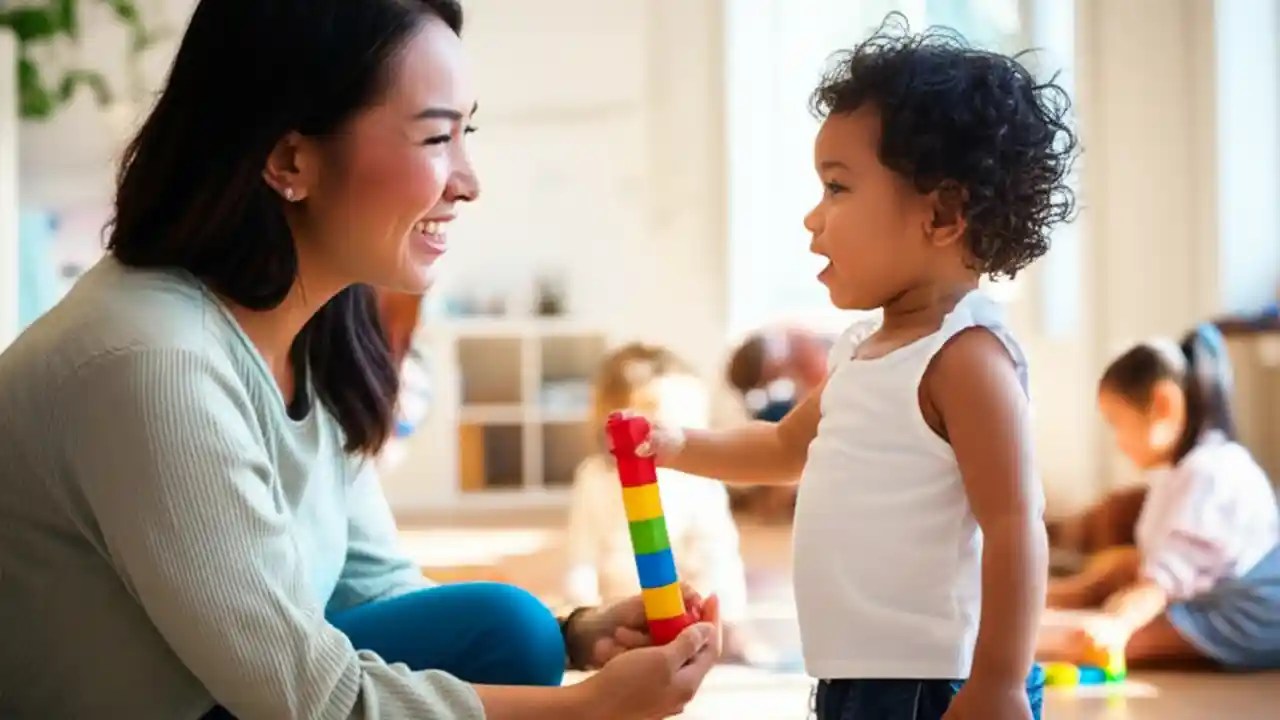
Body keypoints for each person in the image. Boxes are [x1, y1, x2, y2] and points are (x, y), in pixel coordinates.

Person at [0, 2, 720, 718]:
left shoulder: (312, 330)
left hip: (226, 696)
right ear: (290, 160)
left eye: (466, 134)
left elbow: (370, 587)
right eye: (437, 138)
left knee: (514, 630)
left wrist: (579, 636)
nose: (468, 181)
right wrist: (591, 708)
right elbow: (309, 699)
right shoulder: (151, 363)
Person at [635, 13, 1077, 720]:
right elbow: (783, 447)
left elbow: (1016, 524)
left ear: (941, 216)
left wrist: (996, 681)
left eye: (837, 188)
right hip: (855, 676)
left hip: (936, 683)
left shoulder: (963, 358)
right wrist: (679, 446)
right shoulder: (861, 349)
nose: (813, 218)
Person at [1037, 325, 1280, 670]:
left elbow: (1159, 586)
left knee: (1093, 639)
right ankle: (1037, 599)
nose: (1117, 442)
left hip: (1247, 618)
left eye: (1117, 423)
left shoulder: (1209, 474)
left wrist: (1116, 624)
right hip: (1206, 591)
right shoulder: (1184, 469)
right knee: (1120, 564)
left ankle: (1003, 631)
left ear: (1164, 404)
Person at [564, 343, 757, 663]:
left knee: (729, 643)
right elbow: (580, 557)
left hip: (686, 610)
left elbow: (719, 556)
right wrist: (583, 618)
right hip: (620, 611)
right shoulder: (594, 478)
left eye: (691, 426)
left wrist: (730, 618)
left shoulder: (700, 482)